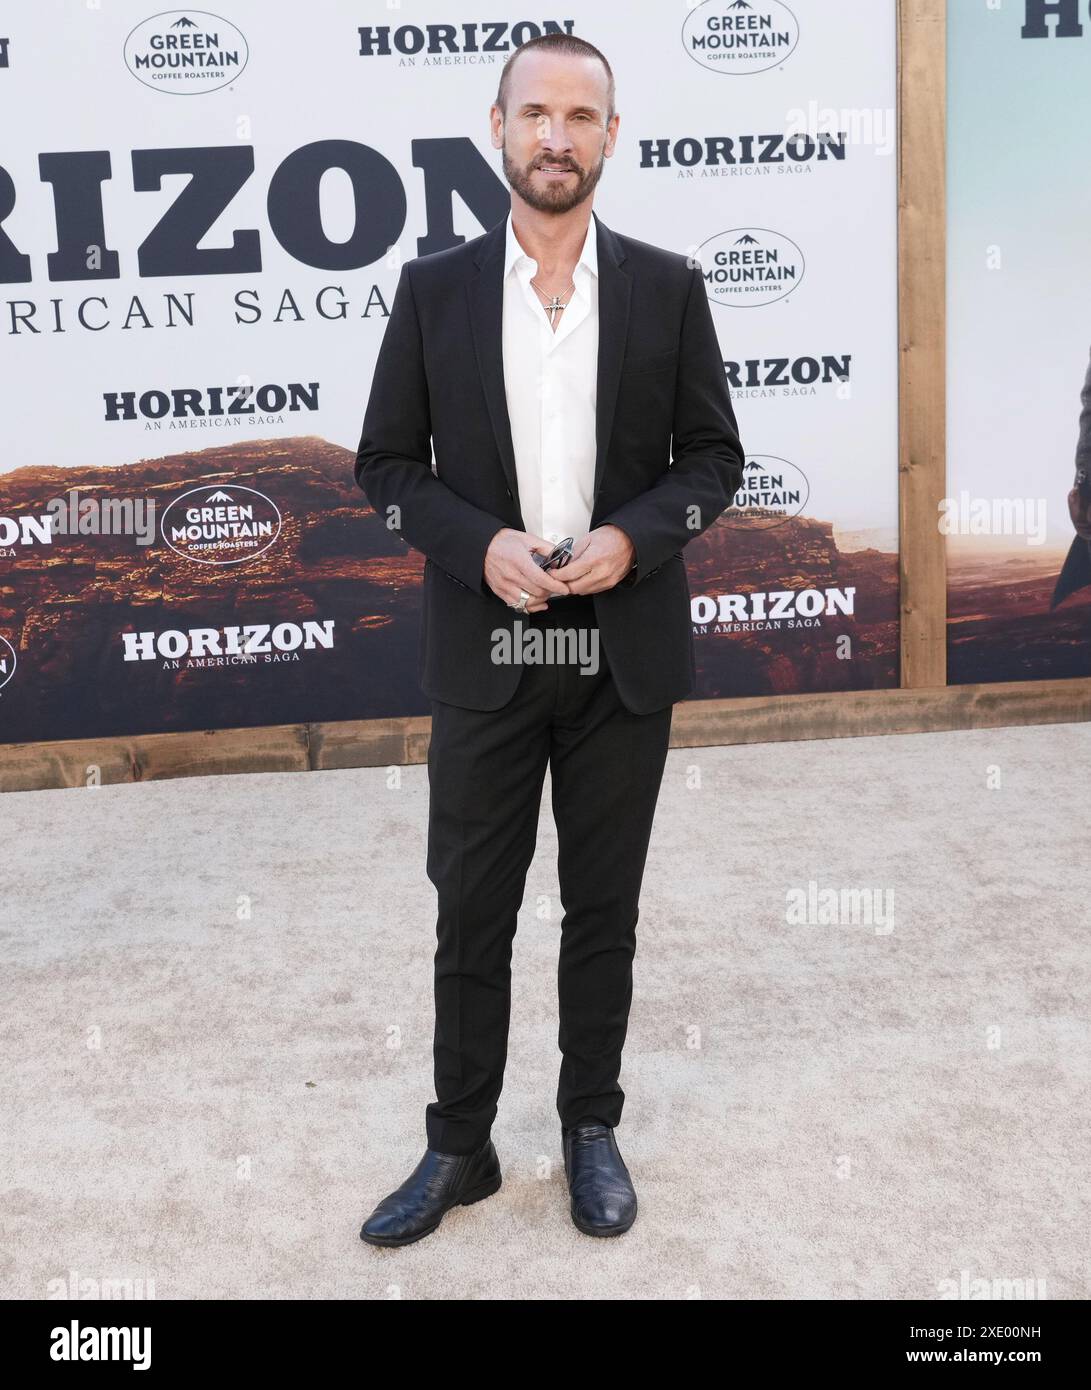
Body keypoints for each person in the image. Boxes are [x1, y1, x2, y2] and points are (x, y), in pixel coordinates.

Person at [353, 32, 744, 1245]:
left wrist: (638, 536)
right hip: (488, 649)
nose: (557, 136)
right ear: (499, 126)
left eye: (581, 116)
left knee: (600, 906)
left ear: (611, 136)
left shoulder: (669, 286)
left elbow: (712, 460)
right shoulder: (433, 292)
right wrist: (478, 546)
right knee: (470, 904)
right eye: (536, 113)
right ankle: (458, 1145)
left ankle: (588, 1126)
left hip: (621, 652)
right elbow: (384, 468)